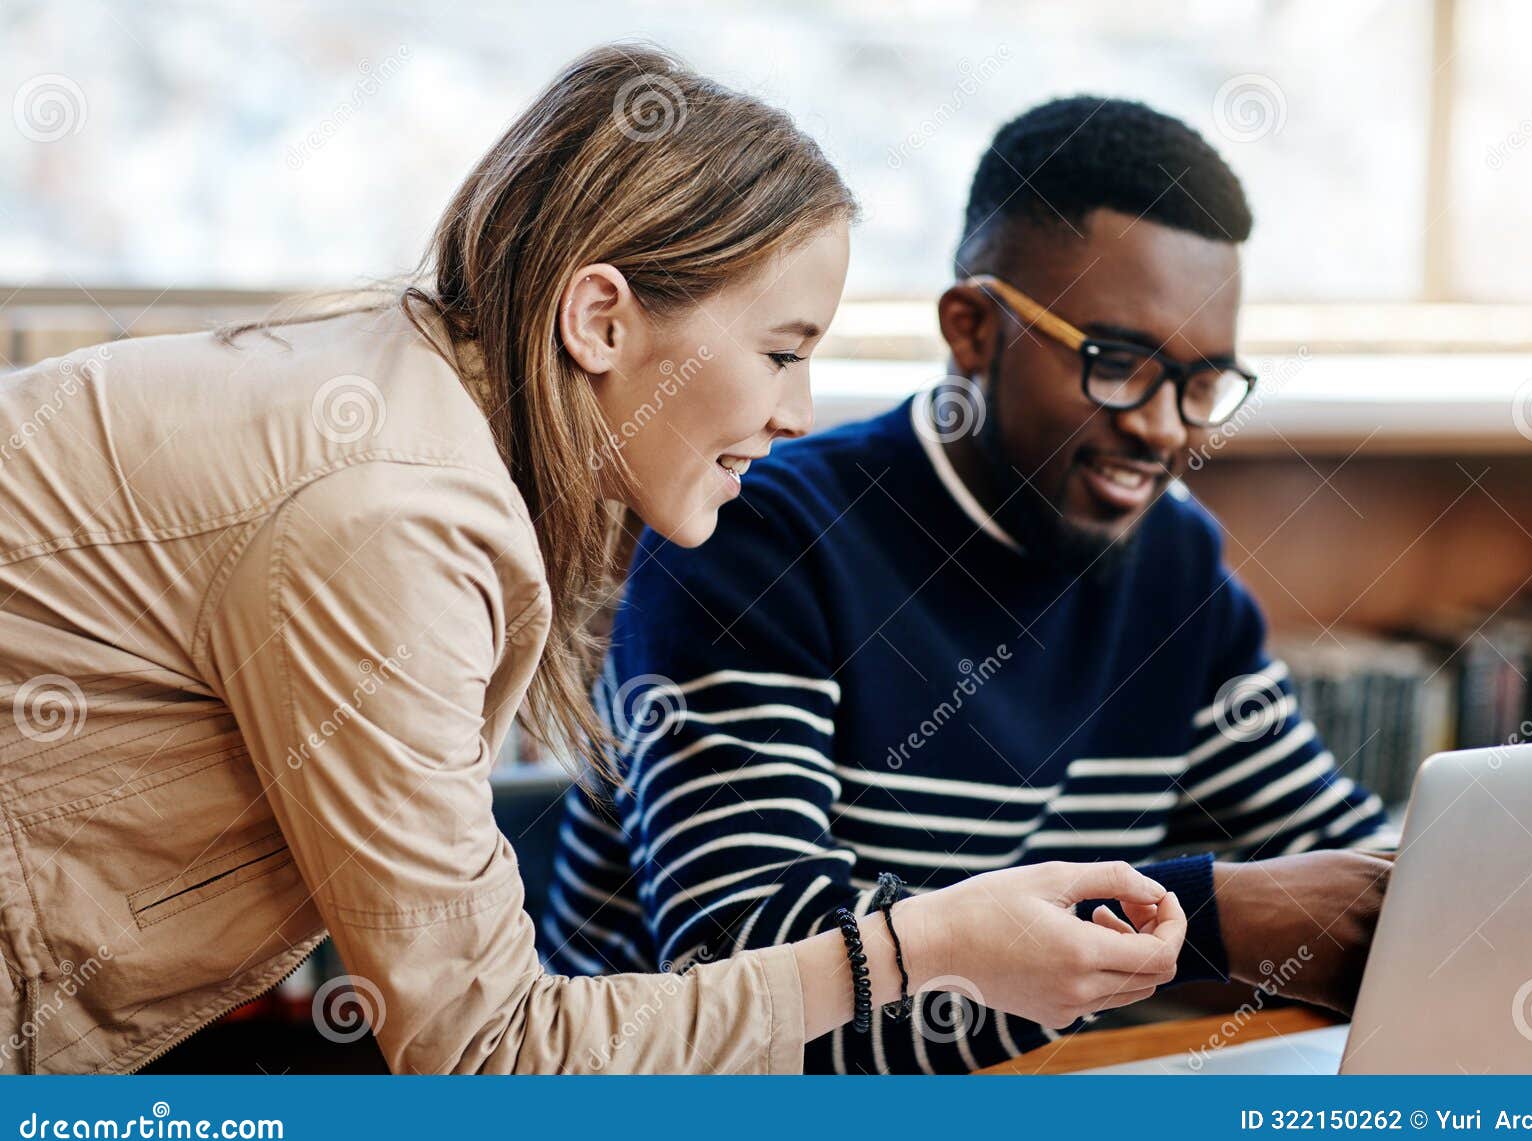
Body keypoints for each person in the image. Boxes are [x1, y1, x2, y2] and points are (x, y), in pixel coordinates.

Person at [0, 48, 1186, 1076]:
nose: (801, 413)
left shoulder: (410, 422)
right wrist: (930, 947)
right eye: (781, 351)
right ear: (601, 321)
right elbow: (493, 1054)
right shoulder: (389, 520)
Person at [542, 96, 1392, 1074]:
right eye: (1118, 363)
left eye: (1201, 384)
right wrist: (1199, 917)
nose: (1163, 428)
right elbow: (755, 977)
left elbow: (1343, 873)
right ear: (972, 329)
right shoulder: (753, 538)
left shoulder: (1172, 565)